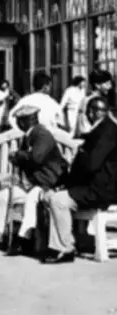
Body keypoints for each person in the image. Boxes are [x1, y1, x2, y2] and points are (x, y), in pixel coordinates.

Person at [40, 93, 117, 264]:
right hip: (95, 186)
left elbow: (91, 165)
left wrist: (80, 155)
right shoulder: (104, 129)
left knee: (59, 200)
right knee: (52, 197)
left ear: (91, 112)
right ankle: (59, 245)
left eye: (85, 112)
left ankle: (66, 248)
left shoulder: (107, 132)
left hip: (101, 190)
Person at [0, 107, 66, 256]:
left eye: (19, 120)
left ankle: (23, 239)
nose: (17, 123)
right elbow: (26, 160)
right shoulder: (29, 135)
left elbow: (36, 157)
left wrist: (18, 155)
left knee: (31, 199)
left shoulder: (42, 135)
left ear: (26, 121)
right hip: (31, 183)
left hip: (48, 184)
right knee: (4, 195)